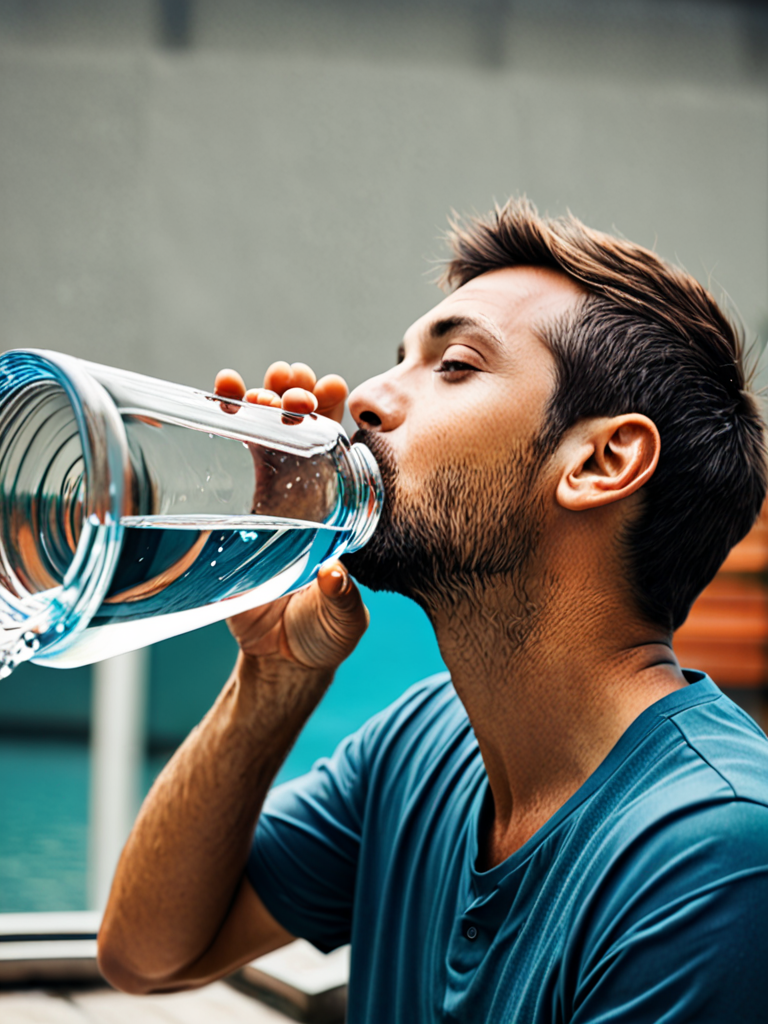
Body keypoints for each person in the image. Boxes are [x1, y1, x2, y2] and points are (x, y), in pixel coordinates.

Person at [98, 199, 768, 1022]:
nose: (368, 400)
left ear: (600, 461)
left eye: (454, 364)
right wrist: (271, 676)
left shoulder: (712, 856)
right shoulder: (419, 748)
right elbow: (149, 951)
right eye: (398, 361)